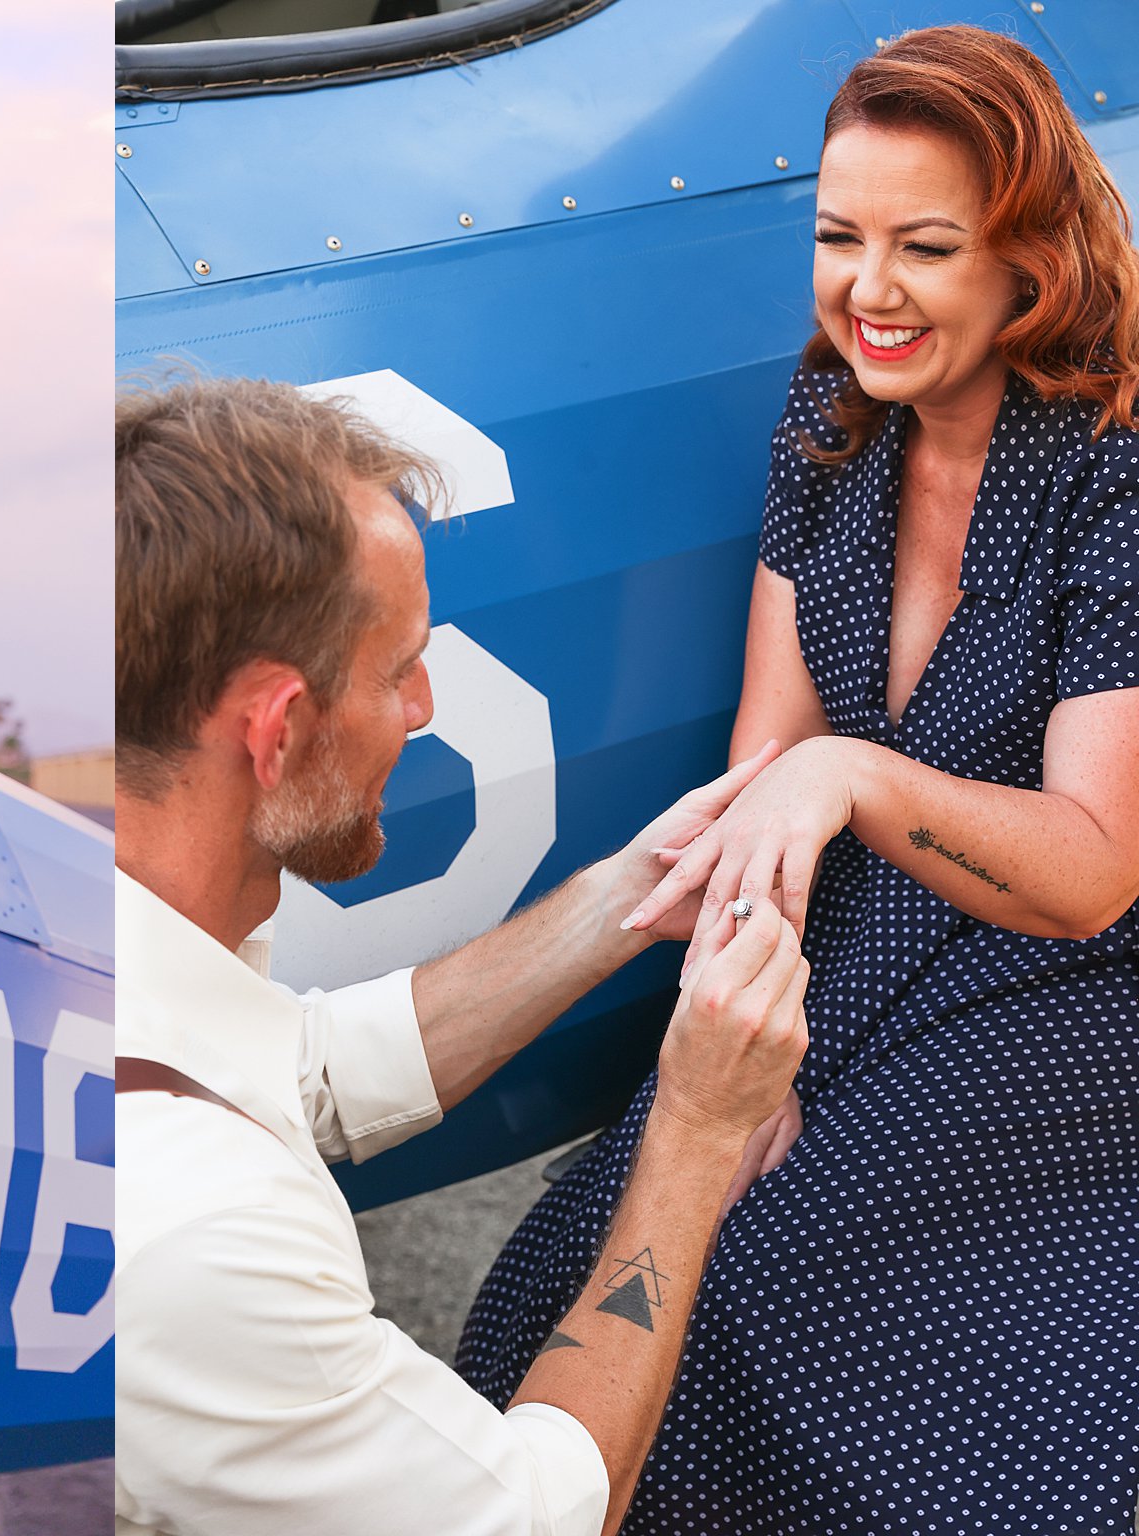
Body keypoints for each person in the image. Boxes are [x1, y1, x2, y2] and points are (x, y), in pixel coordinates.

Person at [459, 25, 1139, 1534]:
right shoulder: (830, 416)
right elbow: (761, 762)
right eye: (839, 237)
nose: (868, 290)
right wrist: (737, 1040)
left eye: (926, 245)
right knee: (581, 1273)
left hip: (1059, 976)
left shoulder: (1115, 467)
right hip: (839, 934)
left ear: (1030, 258)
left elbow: (1095, 866)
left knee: (784, 1307)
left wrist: (856, 774)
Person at [114, 375, 810, 1536]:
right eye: (397, 671)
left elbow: (291, 1072)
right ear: (276, 729)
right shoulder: (201, 1238)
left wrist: (616, 903)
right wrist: (697, 1132)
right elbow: (535, 1518)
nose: (425, 707)